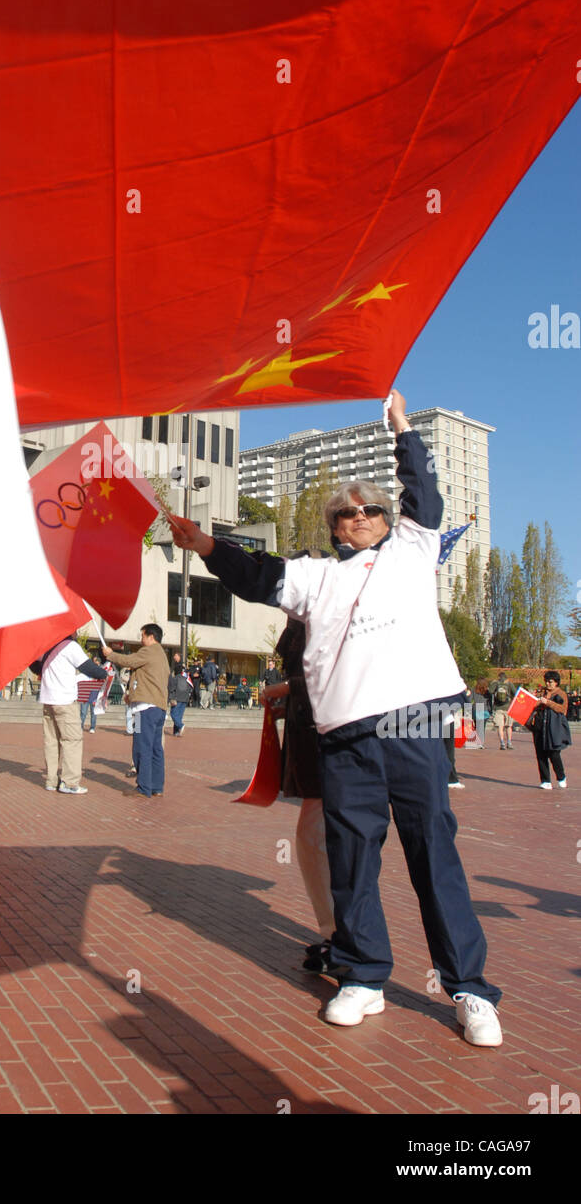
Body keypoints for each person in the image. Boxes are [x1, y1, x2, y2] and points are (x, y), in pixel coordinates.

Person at [169, 388, 503, 1047]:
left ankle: (468, 989)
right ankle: (364, 974)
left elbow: (425, 498)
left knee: (432, 850)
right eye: (346, 513)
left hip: (413, 722)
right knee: (349, 855)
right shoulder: (314, 576)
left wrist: (402, 428)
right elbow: (257, 573)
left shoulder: (412, 551)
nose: (358, 516)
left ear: (385, 518)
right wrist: (206, 543)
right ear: (333, 526)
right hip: (345, 734)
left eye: (369, 509)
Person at [263, 612, 339, 975]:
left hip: (332, 747)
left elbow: (330, 673)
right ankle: (336, 933)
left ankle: (342, 936)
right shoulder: (299, 626)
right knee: (314, 840)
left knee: (319, 840)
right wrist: (288, 704)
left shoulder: (325, 619)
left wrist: (287, 690)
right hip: (313, 743)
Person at [31, 635, 108, 795]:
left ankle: (51, 780)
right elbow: (88, 667)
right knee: (72, 740)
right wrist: (104, 673)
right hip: (65, 700)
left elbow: (35, 667)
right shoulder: (70, 646)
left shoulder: (47, 645)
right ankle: (70, 782)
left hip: (48, 700)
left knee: (52, 741)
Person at [104, 626, 170, 797]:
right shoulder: (161, 655)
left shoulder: (149, 651)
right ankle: (156, 787)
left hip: (145, 709)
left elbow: (129, 661)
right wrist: (131, 695)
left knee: (142, 746)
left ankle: (143, 787)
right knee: (156, 749)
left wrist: (110, 654)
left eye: (142, 635)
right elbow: (147, 680)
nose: (141, 639)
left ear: (150, 636)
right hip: (157, 707)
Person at [528, 670, 571, 790]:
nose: (548, 684)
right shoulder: (542, 693)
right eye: (546, 681)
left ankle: (561, 777)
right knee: (540, 754)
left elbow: (563, 709)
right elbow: (533, 705)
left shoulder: (561, 694)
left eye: (550, 682)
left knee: (554, 753)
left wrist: (548, 702)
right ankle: (545, 780)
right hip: (539, 726)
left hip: (553, 727)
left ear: (556, 682)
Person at [488, 672, 514, 750]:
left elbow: (490, 691)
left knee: (500, 726)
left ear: (499, 677)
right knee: (509, 726)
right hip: (508, 707)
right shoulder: (509, 683)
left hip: (498, 707)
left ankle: (502, 743)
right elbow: (515, 693)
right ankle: (509, 742)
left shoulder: (496, 683)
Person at [167, 662, 191, 736]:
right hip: (185, 699)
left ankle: (180, 725)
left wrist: (171, 698)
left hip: (177, 698)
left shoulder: (175, 678)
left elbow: (172, 689)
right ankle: (176, 732)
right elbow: (190, 688)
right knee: (179, 716)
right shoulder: (186, 678)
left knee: (173, 713)